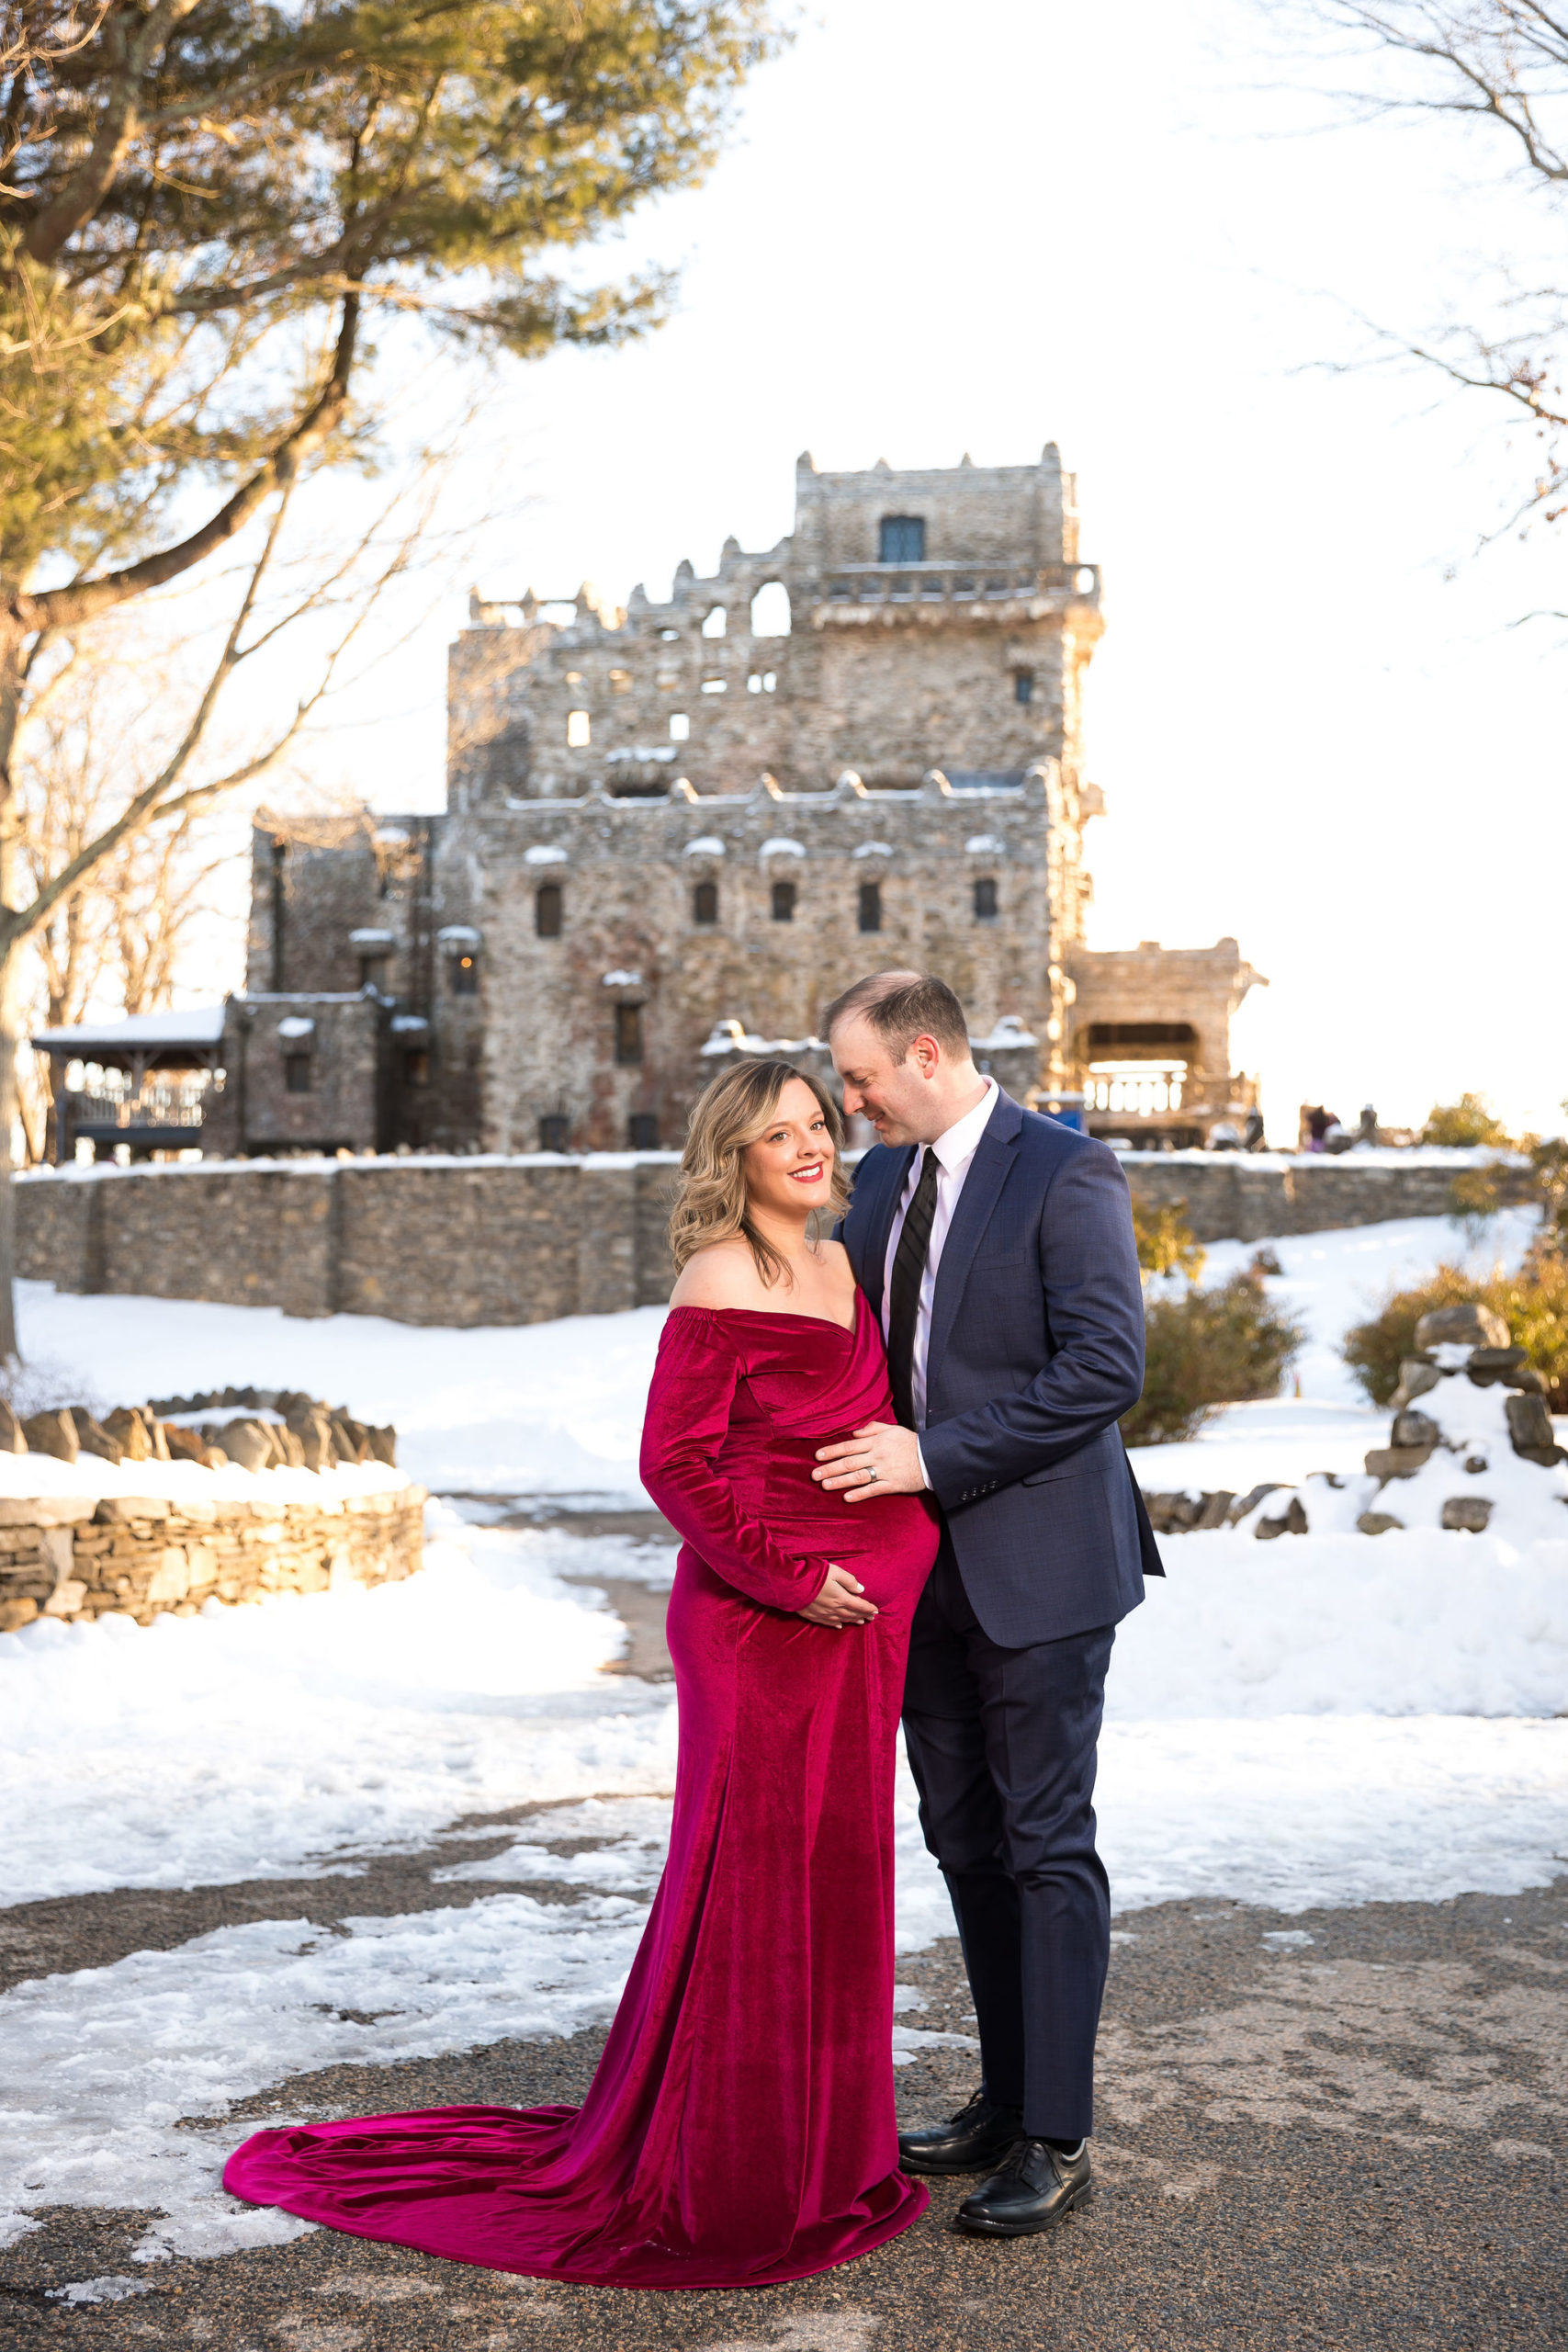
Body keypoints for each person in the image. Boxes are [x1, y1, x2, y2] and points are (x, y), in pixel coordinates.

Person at [222, 1057, 939, 2289]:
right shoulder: (721, 1275)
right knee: (756, 1886)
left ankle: (827, 2157)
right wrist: (793, 1578)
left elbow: (851, 1431)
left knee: (837, 1874)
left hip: (860, 1637)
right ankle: (734, 2173)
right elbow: (677, 1464)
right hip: (767, 1629)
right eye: (780, 1136)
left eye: (818, 1124)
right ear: (738, 1159)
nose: (811, 1148)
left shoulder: (840, 1263)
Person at [813, 971, 1162, 2239]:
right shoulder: (883, 1184)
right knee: (964, 1840)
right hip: (920, 1582)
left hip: (1046, 1569)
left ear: (922, 1053)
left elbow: (1106, 1366)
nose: (847, 1105)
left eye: (857, 1080)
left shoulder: (1067, 1172)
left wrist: (934, 1455)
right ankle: (1005, 2100)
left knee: (1045, 1846)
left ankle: (1059, 2137)